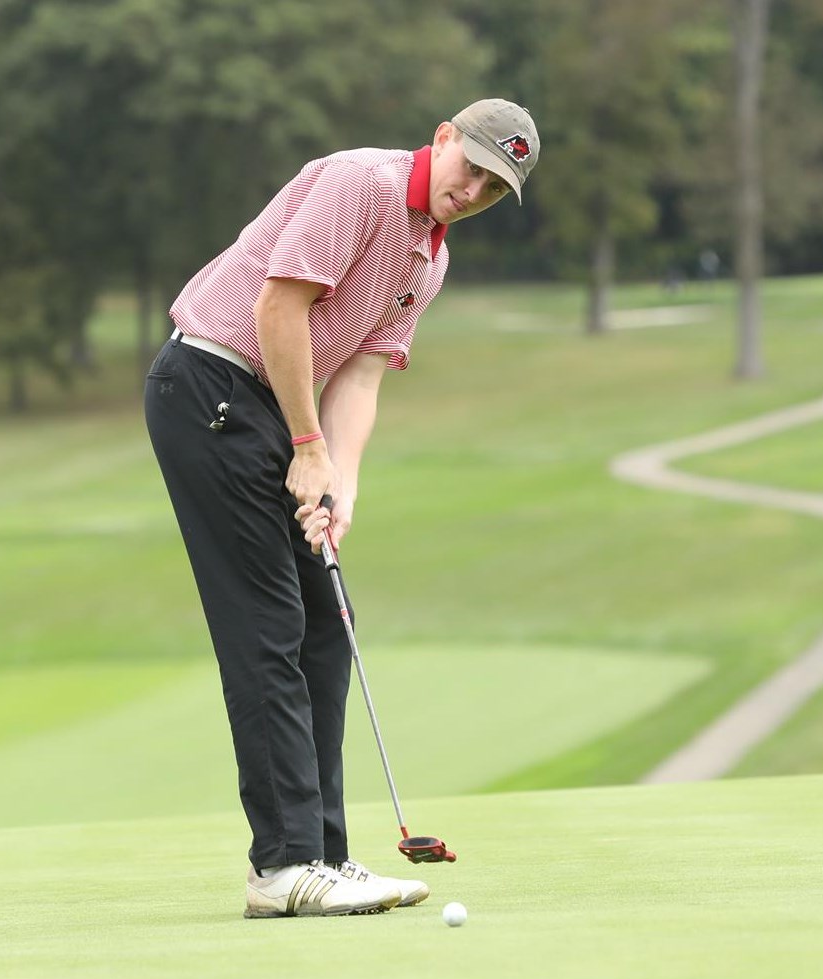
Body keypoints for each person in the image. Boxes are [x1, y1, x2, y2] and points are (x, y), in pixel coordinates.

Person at [143, 99, 539, 918]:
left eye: (495, 189)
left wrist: (337, 481)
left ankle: (322, 854)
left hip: (274, 411)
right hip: (212, 388)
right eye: (471, 169)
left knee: (327, 620)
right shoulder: (358, 184)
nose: (473, 191)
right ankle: (281, 865)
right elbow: (276, 310)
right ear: (441, 140)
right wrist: (306, 442)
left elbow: (358, 372)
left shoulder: (428, 261)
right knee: (269, 623)